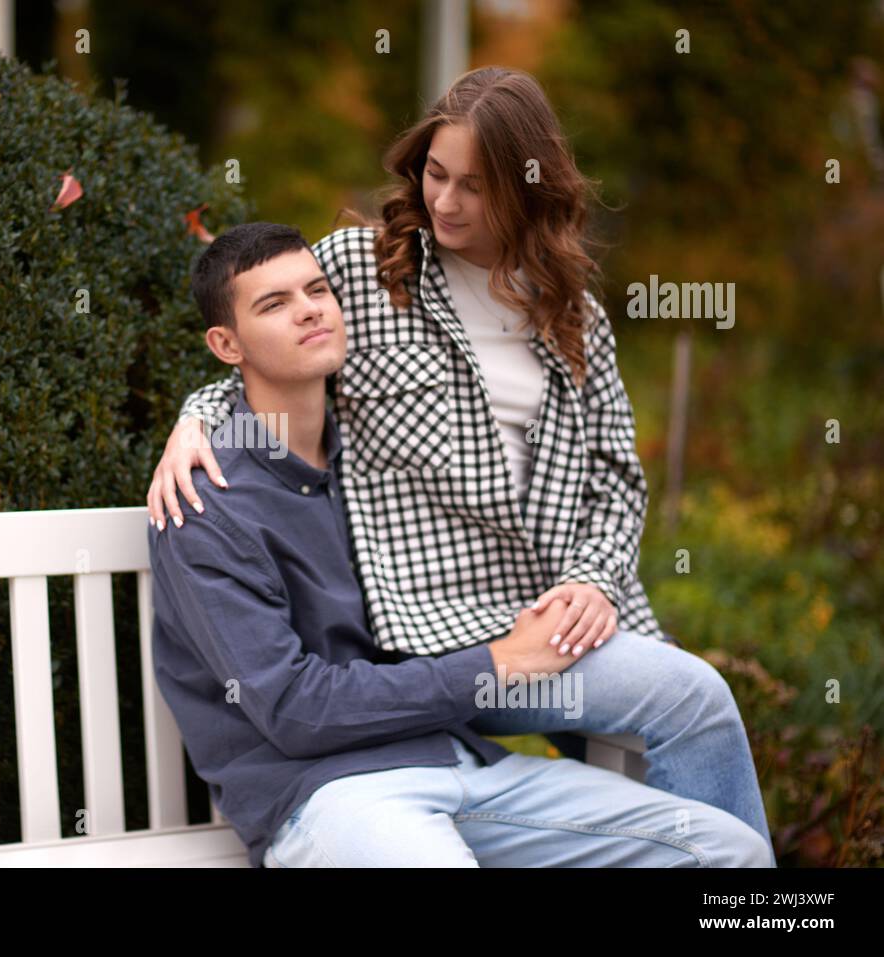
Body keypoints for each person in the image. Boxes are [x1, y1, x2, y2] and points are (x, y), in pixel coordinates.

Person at [148, 67, 775, 863]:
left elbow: (616, 475)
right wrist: (194, 420)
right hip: (426, 632)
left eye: (473, 187)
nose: (445, 203)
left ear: (528, 188)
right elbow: (268, 335)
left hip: (543, 613)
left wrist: (592, 580)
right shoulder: (366, 269)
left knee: (697, 696)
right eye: (434, 175)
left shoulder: (572, 311)